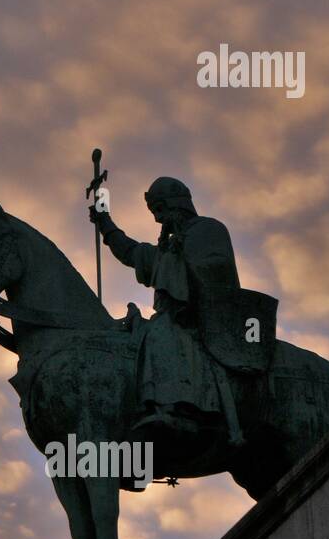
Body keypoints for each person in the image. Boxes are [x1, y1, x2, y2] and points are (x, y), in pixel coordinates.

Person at [90, 177, 245, 446]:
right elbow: (130, 251)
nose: (158, 219)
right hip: (172, 316)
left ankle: (176, 408)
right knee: (145, 332)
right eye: (154, 213)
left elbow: (219, 270)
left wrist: (182, 265)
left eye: (160, 210)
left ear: (177, 205)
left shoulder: (207, 229)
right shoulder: (164, 250)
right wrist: (104, 220)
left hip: (202, 317)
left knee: (161, 332)